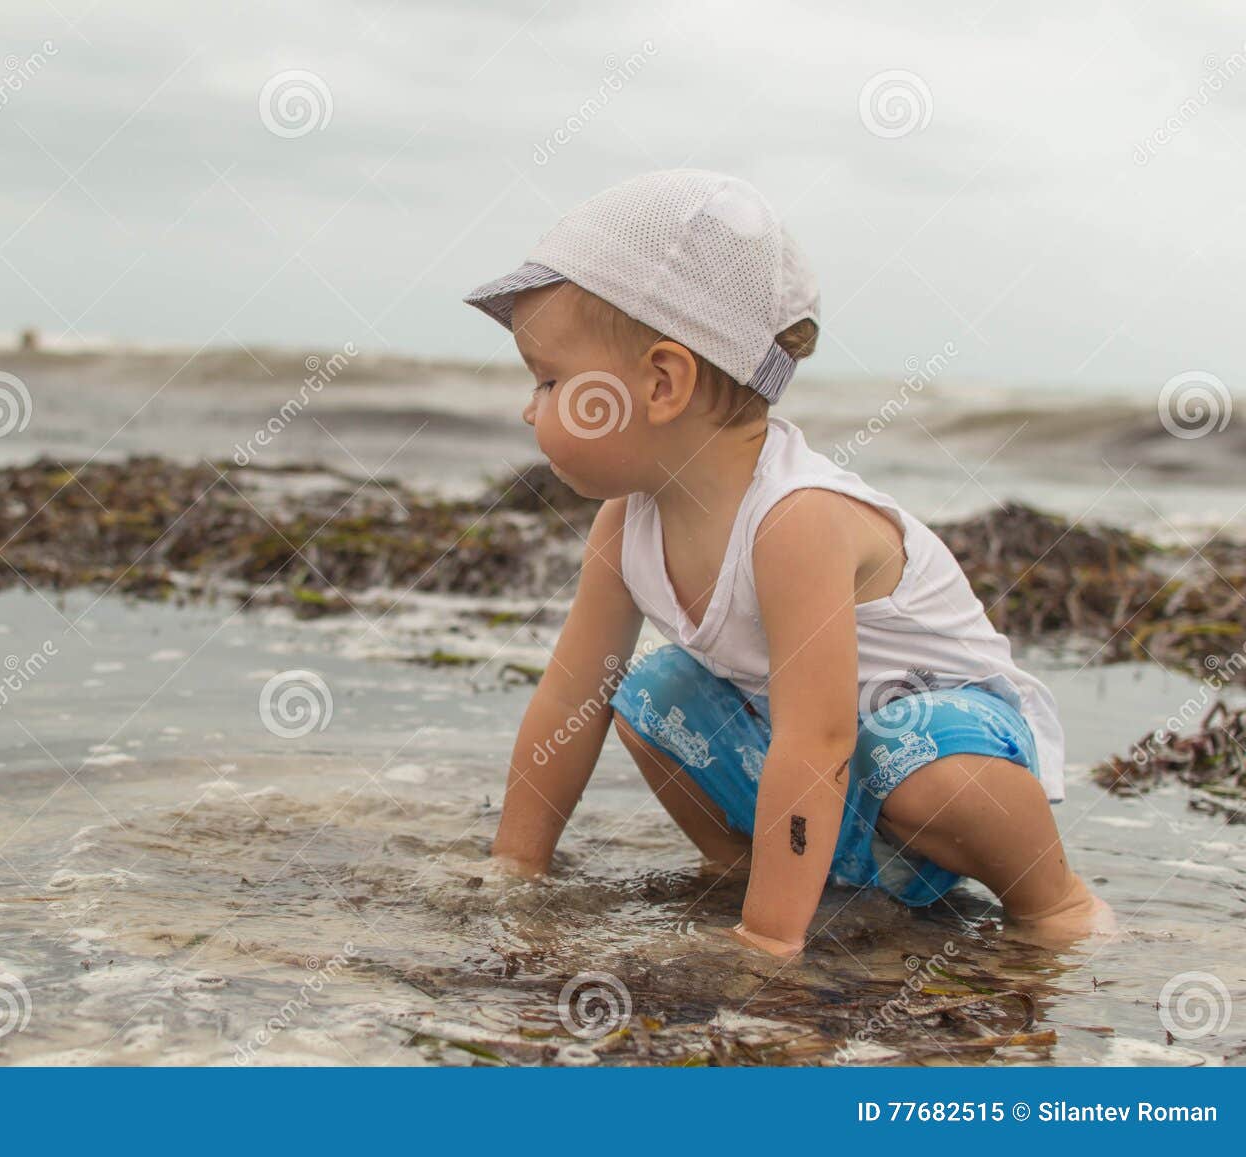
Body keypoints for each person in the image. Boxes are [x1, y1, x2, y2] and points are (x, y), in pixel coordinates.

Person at [461, 170, 1113, 958]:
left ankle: (1055, 903)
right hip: (838, 798)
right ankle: (770, 875)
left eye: (550, 378)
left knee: (908, 751)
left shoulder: (795, 520)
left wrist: (768, 948)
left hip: (945, 756)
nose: (532, 407)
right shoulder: (624, 524)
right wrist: (516, 867)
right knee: (650, 693)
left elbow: (820, 739)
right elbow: (568, 700)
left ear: (663, 382)